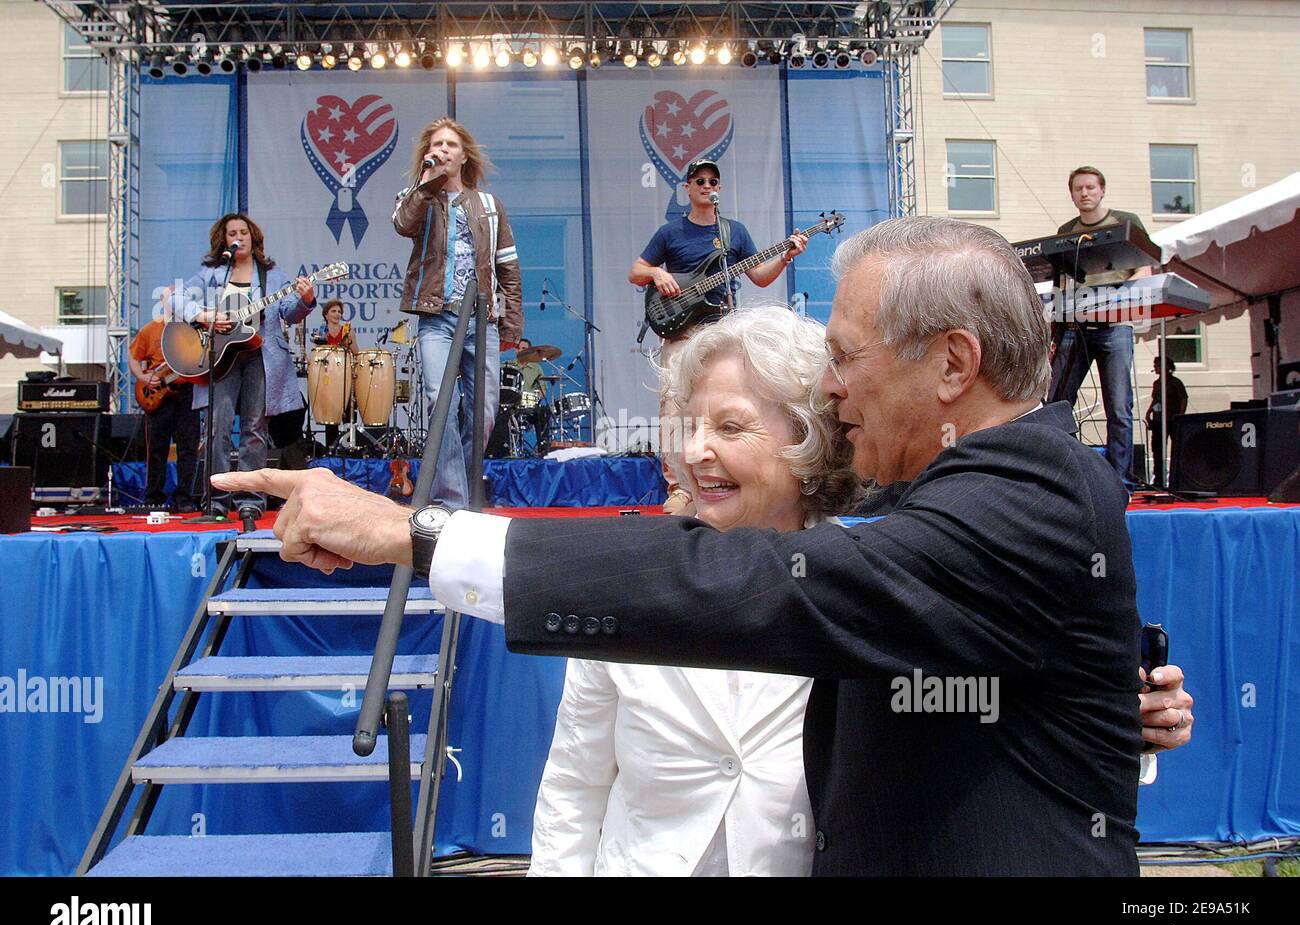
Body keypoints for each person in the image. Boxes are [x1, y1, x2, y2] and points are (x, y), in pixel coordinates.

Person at [215, 217, 1198, 876]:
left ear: (952, 364)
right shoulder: (948, 504)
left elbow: (787, 592)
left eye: (845, 360)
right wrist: (1102, 699)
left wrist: (405, 532)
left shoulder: (1019, 495)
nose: (836, 390)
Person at [530, 307, 860, 876]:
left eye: (730, 428)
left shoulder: (861, 585)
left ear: (809, 441)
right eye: (691, 426)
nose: (694, 452)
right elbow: (574, 784)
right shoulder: (626, 582)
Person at [629, 158, 808, 513]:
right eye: (700, 181)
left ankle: (724, 480)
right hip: (682, 329)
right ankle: (679, 488)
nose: (707, 186)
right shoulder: (671, 233)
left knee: (725, 405)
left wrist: (786, 256)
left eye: (713, 181)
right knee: (675, 407)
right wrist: (655, 274)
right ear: (688, 188)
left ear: (719, 188)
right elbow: (634, 271)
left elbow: (759, 275)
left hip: (722, 330)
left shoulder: (733, 232)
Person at [392, 118, 523, 507]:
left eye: (450, 145)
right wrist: (427, 181)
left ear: (464, 155)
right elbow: (403, 225)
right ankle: (452, 501)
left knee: (484, 412)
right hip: (437, 317)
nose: (443, 150)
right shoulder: (416, 196)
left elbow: (508, 268)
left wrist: (513, 319)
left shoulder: (489, 205)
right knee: (439, 401)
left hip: (482, 321)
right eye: (436, 144)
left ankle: (461, 489)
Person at [170, 213, 315, 516]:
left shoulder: (271, 274)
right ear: (224, 240)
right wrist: (204, 315)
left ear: (254, 237)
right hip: (221, 359)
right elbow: (176, 299)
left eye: (244, 232)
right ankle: (217, 500)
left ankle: (250, 501)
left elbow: (289, 312)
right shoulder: (212, 274)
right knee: (217, 428)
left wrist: (306, 299)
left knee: (254, 429)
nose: (239, 237)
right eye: (233, 232)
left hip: (261, 357)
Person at [1052, 165, 1153, 490]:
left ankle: (1120, 481)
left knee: (1119, 406)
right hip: (1075, 326)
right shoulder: (1066, 229)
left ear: (1102, 190)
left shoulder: (1126, 222)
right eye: (1078, 188)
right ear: (1072, 194)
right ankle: (1069, 478)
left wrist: (1118, 298)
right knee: (1059, 401)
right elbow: (1061, 278)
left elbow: (1145, 268)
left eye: (1090, 188)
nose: (1084, 193)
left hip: (1115, 326)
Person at [128, 305, 199, 511]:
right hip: (158, 393)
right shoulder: (151, 329)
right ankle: (153, 497)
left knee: (188, 447)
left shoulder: (191, 329)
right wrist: (143, 377)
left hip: (186, 391)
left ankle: (184, 498)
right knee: (157, 447)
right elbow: (134, 356)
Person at [311, 299, 358, 452]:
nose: (337, 314)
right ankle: (331, 448)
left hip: (344, 376)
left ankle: (347, 447)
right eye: (333, 311)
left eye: (339, 312)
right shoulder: (321, 331)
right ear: (326, 314)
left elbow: (355, 353)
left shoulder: (348, 331)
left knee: (348, 411)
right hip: (328, 378)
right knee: (329, 412)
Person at [1145, 355, 1189, 488]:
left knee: (1176, 448)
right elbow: (1156, 400)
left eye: (1158, 365)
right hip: (1159, 420)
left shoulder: (1175, 382)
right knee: (1157, 449)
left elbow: (1183, 398)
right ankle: (1158, 477)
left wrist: (1180, 416)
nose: (1156, 368)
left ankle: (1176, 477)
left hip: (1172, 419)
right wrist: (1149, 412)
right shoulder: (1157, 383)